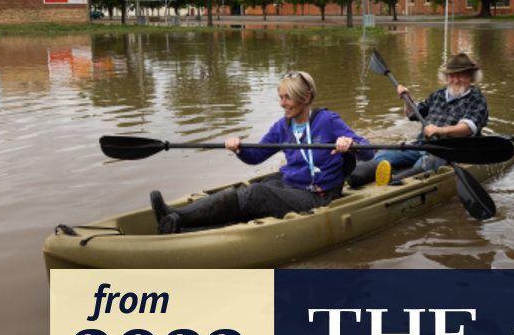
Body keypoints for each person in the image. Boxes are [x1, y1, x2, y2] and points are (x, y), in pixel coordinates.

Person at [150, 71, 374, 234]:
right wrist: (238, 148)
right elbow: (256, 156)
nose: (282, 104)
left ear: (306, 97)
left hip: (319, 194)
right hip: (288, 183)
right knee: (246, 191)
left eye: (287, 97)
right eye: (280, 97)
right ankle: (180, 224)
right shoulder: (282, 126)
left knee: (257, 194)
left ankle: (178, 216)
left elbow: (368, 152)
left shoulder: (327, 121)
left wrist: (350, 143)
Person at [360, 52, 488, 184]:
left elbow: (468, 128)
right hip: (421, 145)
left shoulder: (477, 98)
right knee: (384, 155)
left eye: (460, 75)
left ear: (470, 77)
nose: (455, 80)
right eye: (451, 76)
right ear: (446, 77)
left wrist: (439, 130)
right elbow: (414, 114)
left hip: (448, 152)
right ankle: (357, 175)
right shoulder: (438, 94)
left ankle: (397, 182)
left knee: (428, 162)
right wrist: (408, 99)